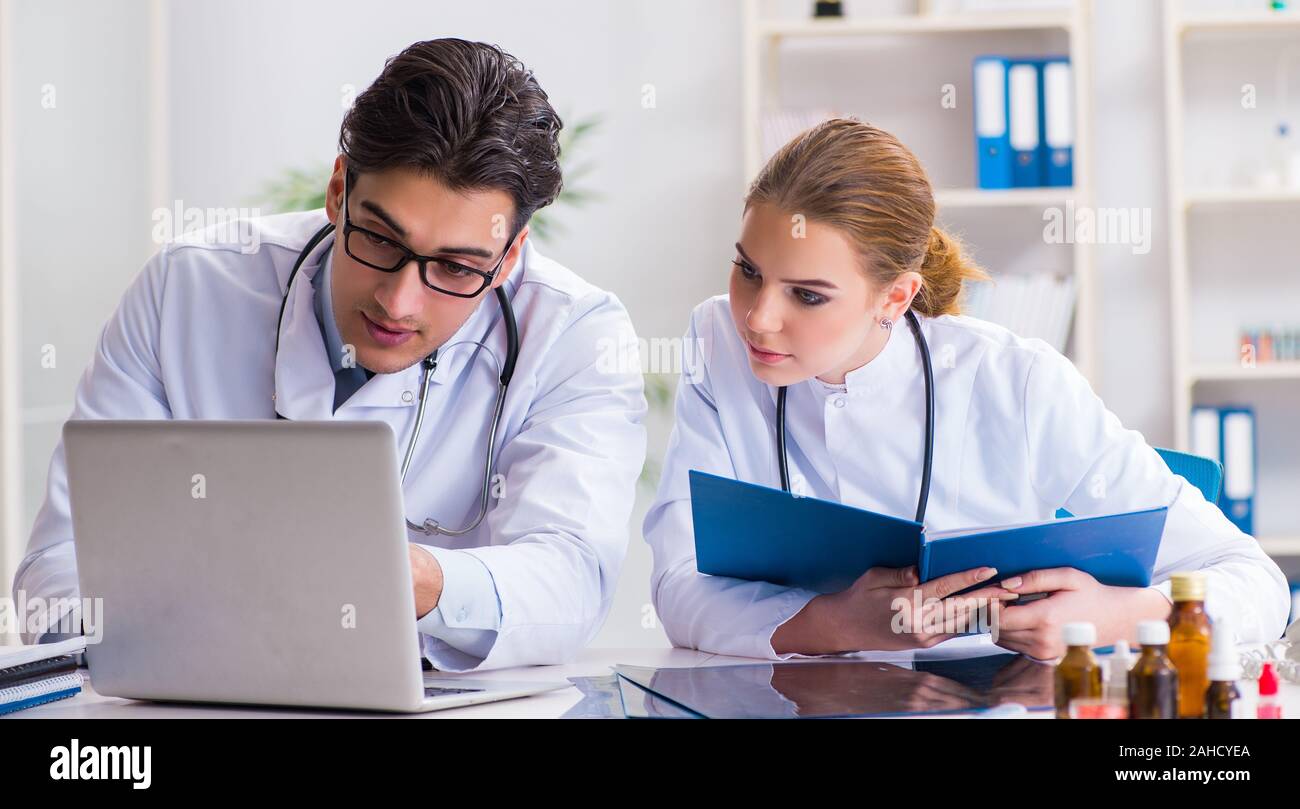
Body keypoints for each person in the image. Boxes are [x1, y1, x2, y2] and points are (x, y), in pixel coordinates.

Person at [14, 38, 647, 672]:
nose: (400, 301)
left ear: (508, 257)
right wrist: (189, 629)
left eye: (456, 267)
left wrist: (421, 581)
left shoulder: (576, 336)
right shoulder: (188, 288)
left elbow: (569, 584)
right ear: (339, 190)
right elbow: (56, 570)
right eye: (378, 237)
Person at [643, 118, 1290, 661]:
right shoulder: (719, 341)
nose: (758, 316)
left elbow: (1253, 579)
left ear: (895, 297)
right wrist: (838, 622)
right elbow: (679, 586)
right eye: (748, 271)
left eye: (807, 295)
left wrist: (1119, 616)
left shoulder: (1017, 383)